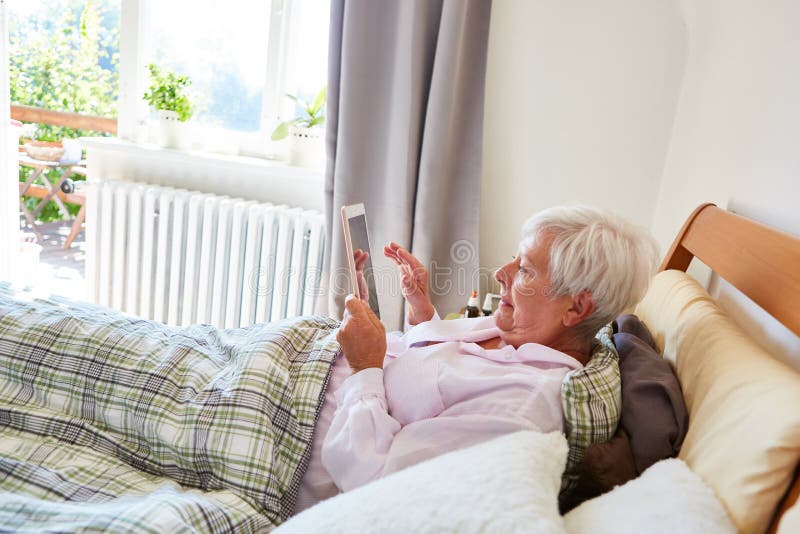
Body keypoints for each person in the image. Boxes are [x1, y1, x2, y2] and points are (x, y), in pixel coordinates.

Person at [295, 205, 659, 511]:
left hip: (301, 428)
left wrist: (364, 367)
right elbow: (437, 373)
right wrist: (423, 315)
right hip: (309, 359)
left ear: (576, 307)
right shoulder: (521, 329)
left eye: (526, 269)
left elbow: (373, 479)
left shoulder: (521, 408)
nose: (502, 273)